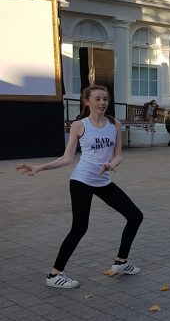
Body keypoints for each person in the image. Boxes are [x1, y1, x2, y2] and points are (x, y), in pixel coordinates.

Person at [16, 85, 143, 289]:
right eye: (97, 99)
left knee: (135, 216)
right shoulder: (79, 125)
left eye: (105, 99)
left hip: (103, 181)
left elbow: (118, 154)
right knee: (80, 227)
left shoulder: (114, 124)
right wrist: (40, 167)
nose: (102, 102)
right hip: (81, 181)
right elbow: (67, 158)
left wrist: (113, 164)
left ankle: (121, 262)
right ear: (87, 102)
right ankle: (54, 274)